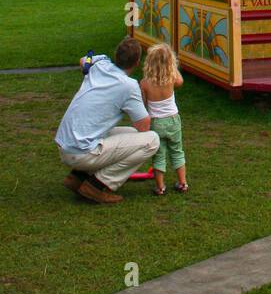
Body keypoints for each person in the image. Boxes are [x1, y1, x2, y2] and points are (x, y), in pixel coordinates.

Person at [55, 37, 158, 205]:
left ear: (116, 55)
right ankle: (97, 186)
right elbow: (144, 126)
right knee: (152, 140)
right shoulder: (129, 85)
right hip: (80, 151)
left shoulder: (100, 63)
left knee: (131, 134)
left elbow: (83, 61)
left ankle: (78, 177)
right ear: (137, 62)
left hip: (66, 143)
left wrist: (90, 66)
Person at [140, 44, 188, 196]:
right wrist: (172, 69)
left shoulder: (145, 83)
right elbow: (181, 82)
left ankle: (160, 187)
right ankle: (182, 183)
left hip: (156, 123)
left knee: (159, 154)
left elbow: (144, 104)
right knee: (177, 151)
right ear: (171, 63)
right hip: (173, 120)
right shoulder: (172, 77)